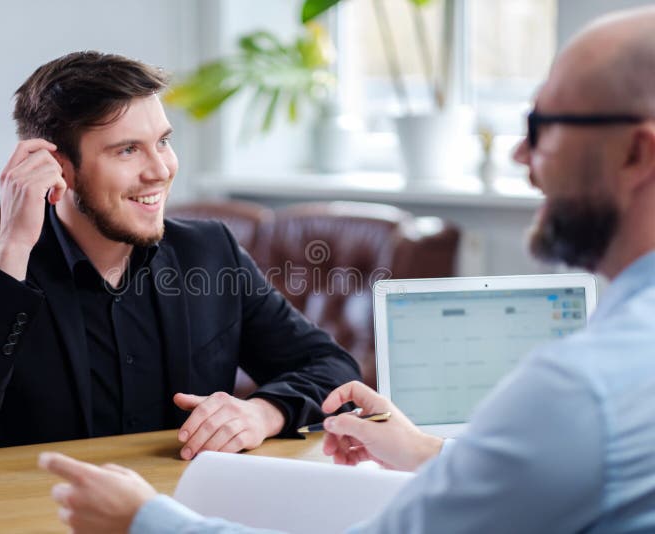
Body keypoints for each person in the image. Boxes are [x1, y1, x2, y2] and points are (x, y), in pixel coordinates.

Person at [39, 6, 655, 533]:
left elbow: (325, 369)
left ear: (636, 152)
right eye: (127, 149)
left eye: (540, 127)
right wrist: (429, 453)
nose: (520, 154)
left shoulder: (582, 388)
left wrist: (147, 520)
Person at [0, 51, 361, 456]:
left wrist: (263, 413)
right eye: (128, 150)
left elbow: (332, 368)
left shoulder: (209, 253)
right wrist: (14, 248)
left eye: (163, 142)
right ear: (59, 167)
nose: (160, 170)